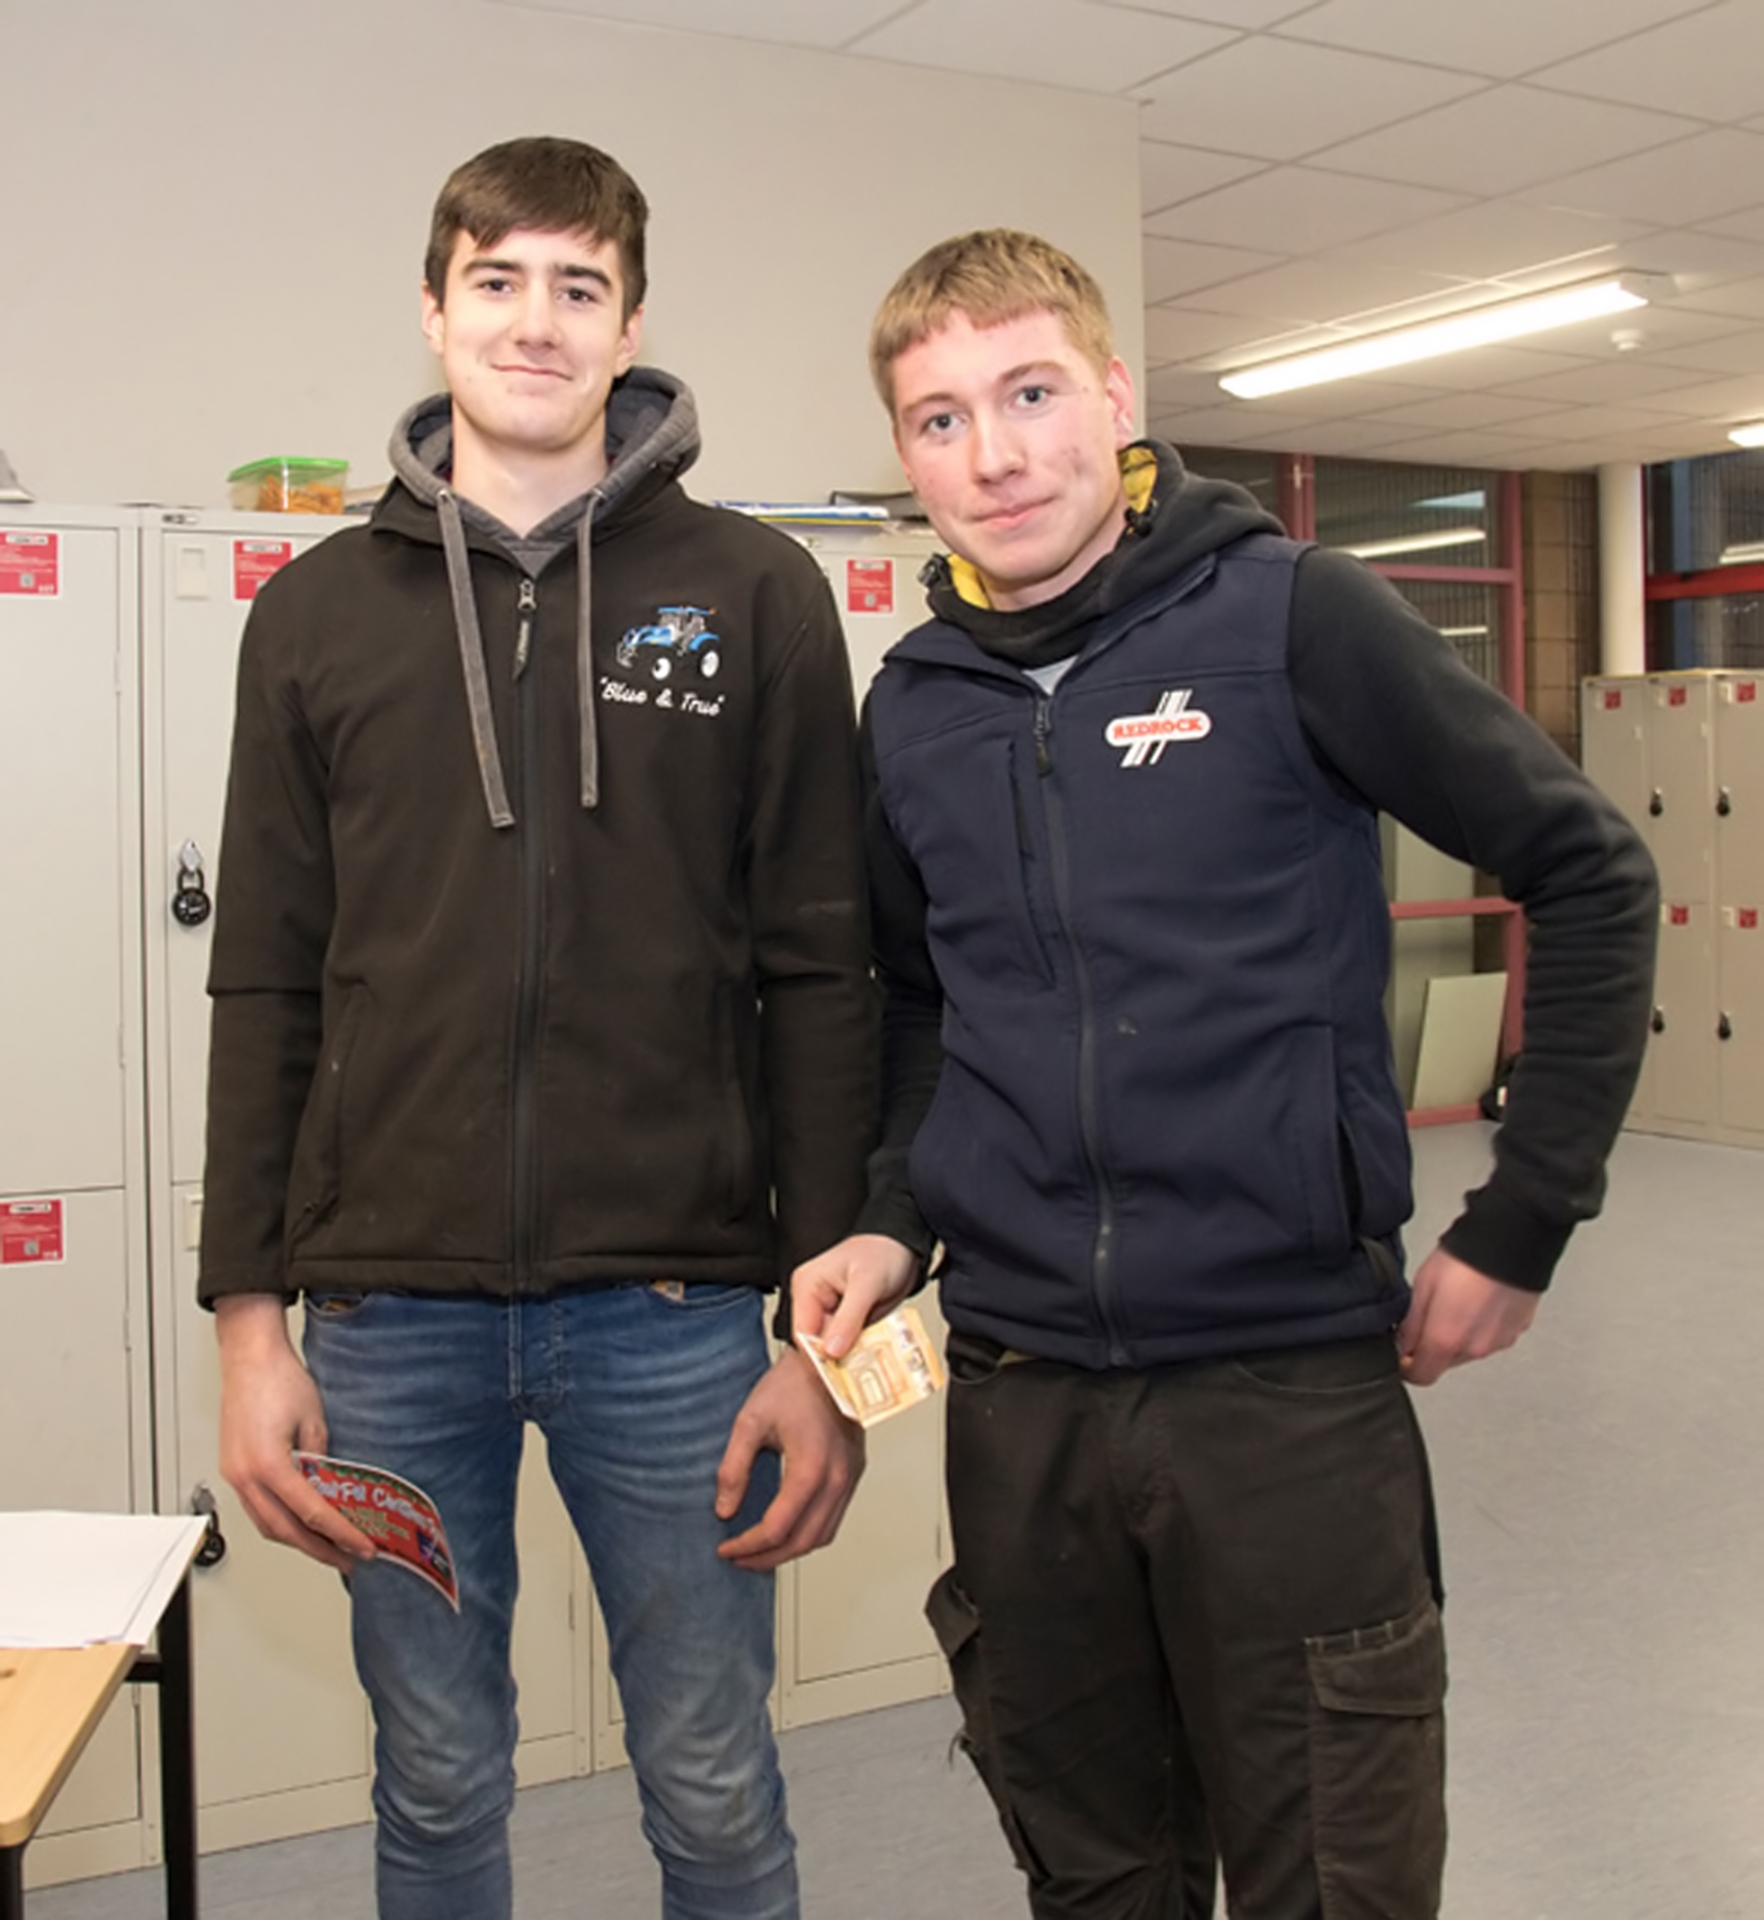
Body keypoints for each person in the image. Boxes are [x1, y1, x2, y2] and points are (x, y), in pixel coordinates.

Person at [793, 229, 1658, 1920]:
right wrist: (894, 1221)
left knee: (1332, 1878)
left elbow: (1592, 870)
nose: (995, 454)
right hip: (1022, 1400)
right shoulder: (914, 707)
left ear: (1114, 397)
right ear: (906, 455)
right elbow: (925, 1007)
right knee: (1096, 1879)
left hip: (1285, 1392)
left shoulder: (1288, 617)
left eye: (1031, 394)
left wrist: (1524, 1219)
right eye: (942, 419)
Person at [201, 136, 875, 1920]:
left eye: (580, 286)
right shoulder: (313, 615)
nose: (537, 320)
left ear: (630, 324)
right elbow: (267, 977)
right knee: (432, 1781)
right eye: (497, 280)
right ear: (435, 312)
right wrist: (251, 1325)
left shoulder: (757, 593)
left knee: (714, 1783)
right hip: (387, 1317)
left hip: (677, 1313)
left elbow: (824, 972)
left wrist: (828, 1346)